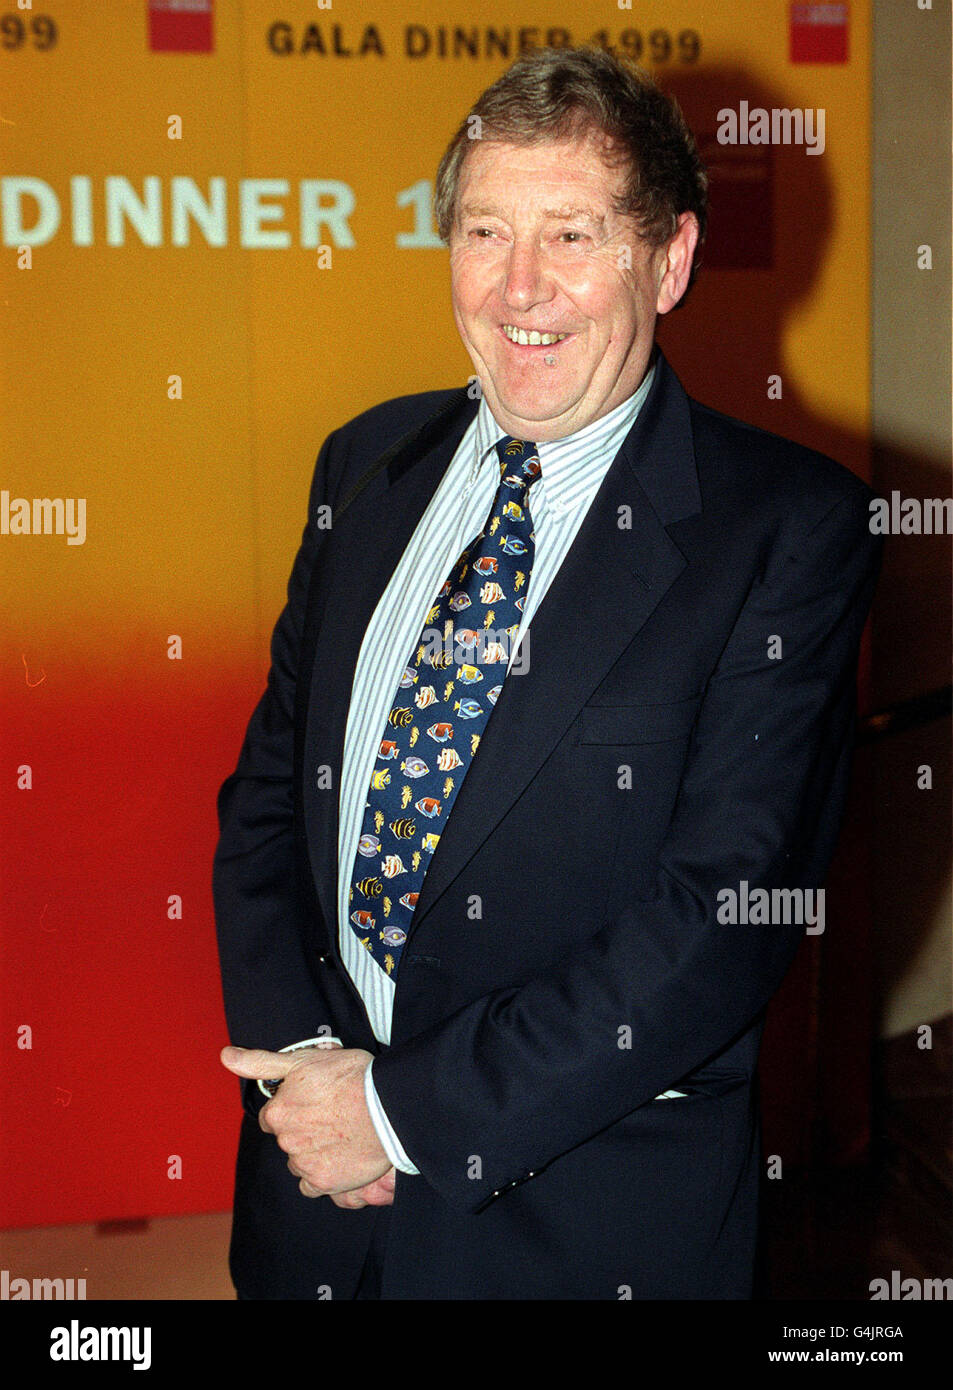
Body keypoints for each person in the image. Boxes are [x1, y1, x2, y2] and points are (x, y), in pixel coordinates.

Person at [213, 45, 882, 1300]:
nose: (519, 287)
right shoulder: (363, 465)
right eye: (483, 230)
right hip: (314, 1200)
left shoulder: (787, 531)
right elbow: (266, 795)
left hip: (580, 1226)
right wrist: (313, 1074)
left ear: (668, 261)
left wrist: (400, 1114)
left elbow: (716, 923)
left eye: (572, 235)